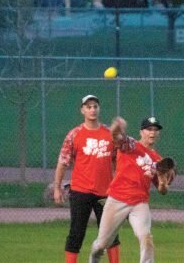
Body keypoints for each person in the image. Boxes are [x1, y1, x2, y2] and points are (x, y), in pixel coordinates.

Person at [89, 116, 174, 263]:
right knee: (102, 244)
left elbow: (163, 191)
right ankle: (94, 255)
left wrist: (162, 182)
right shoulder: (132, 145)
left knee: (145, 236)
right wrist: (117, 126)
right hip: (117, 199)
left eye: (155, 130)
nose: (152, 133)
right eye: (149, 129)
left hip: (139, 203)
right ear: (141, 132)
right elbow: (117, 138)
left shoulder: (157, 159)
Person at [54, 95, 120, 263]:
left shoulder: (109, 134)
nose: (92, 110)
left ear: (99, 109)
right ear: (82, 110)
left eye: (95, 106)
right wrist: (57, 188)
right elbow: (63, 162)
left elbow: (118, 161)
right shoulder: (75, 134)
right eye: (88, 107)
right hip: (80, 191)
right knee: (77, 233)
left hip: (105, 193)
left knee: (110, 233)